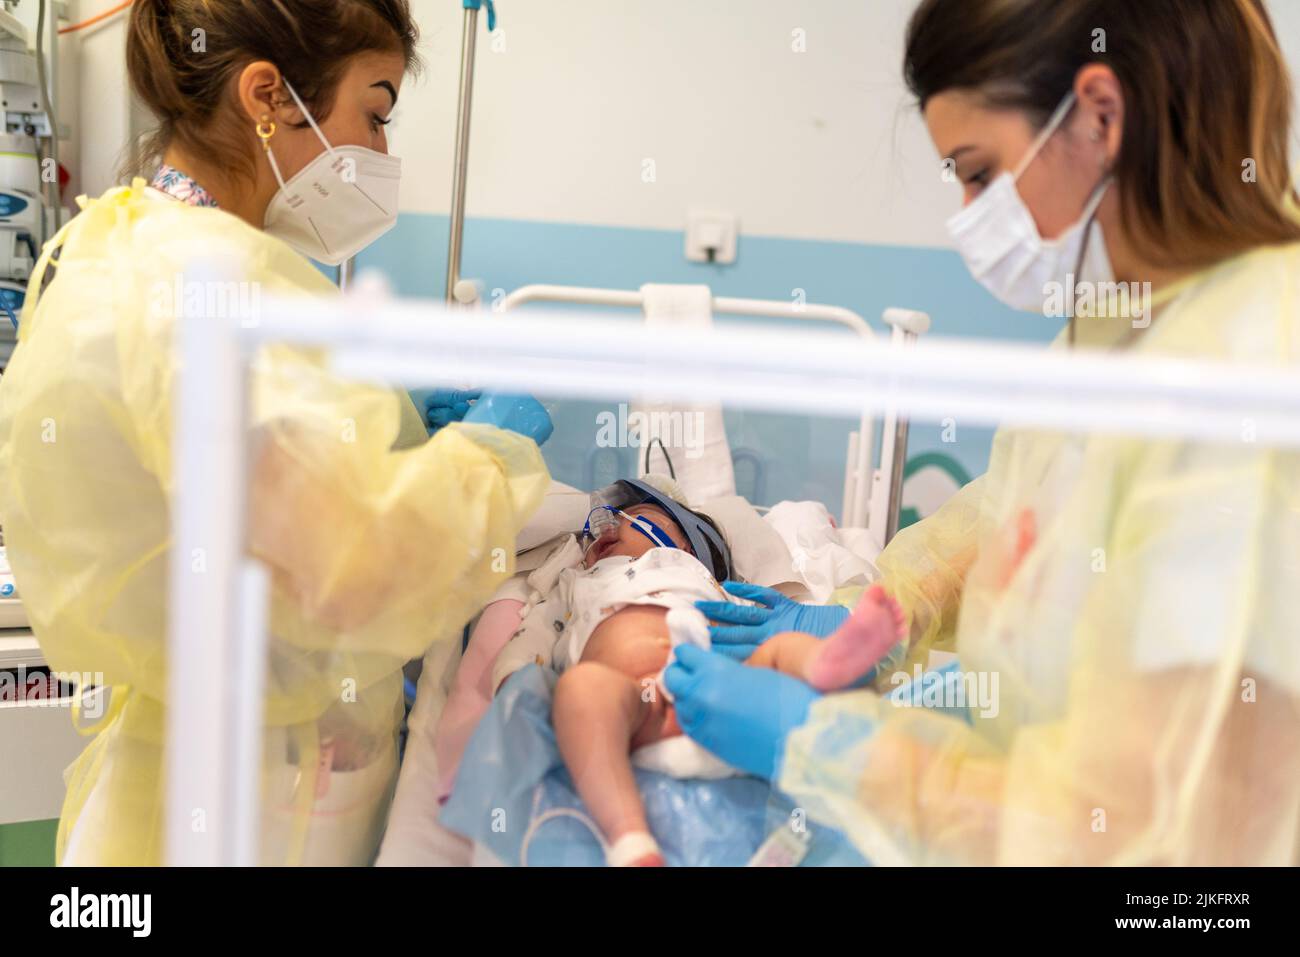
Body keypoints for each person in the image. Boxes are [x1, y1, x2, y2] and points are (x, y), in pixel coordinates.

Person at [667, 0, 1300, 865]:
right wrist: (881, 613)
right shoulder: (1120, 319)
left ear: (1101, 116)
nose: (966, 216)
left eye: (977, 172)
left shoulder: (1255, 380)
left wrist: (827, 747)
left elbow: (1159, 843)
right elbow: (1016, 510)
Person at [0, 0, 552, 865]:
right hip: (246, 807)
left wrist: (393, 410)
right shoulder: (211, 282)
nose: (377, 154)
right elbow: (357, 569)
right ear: (268, 94)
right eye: (374, 112)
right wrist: (491, 455)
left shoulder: (120, 241)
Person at [485, 478, 905, 866]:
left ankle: (831, 662)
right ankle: (630, 839)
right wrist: (515, 673)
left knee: (780, 648)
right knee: (583, 689)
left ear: (685, 546)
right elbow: (535, 629)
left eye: (633, 518)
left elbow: (755, 626)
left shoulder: (704, 581)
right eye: (600, 527)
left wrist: (813, 627)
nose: (605, 528)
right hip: (639, 712)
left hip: (730, 702)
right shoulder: (574, 582)